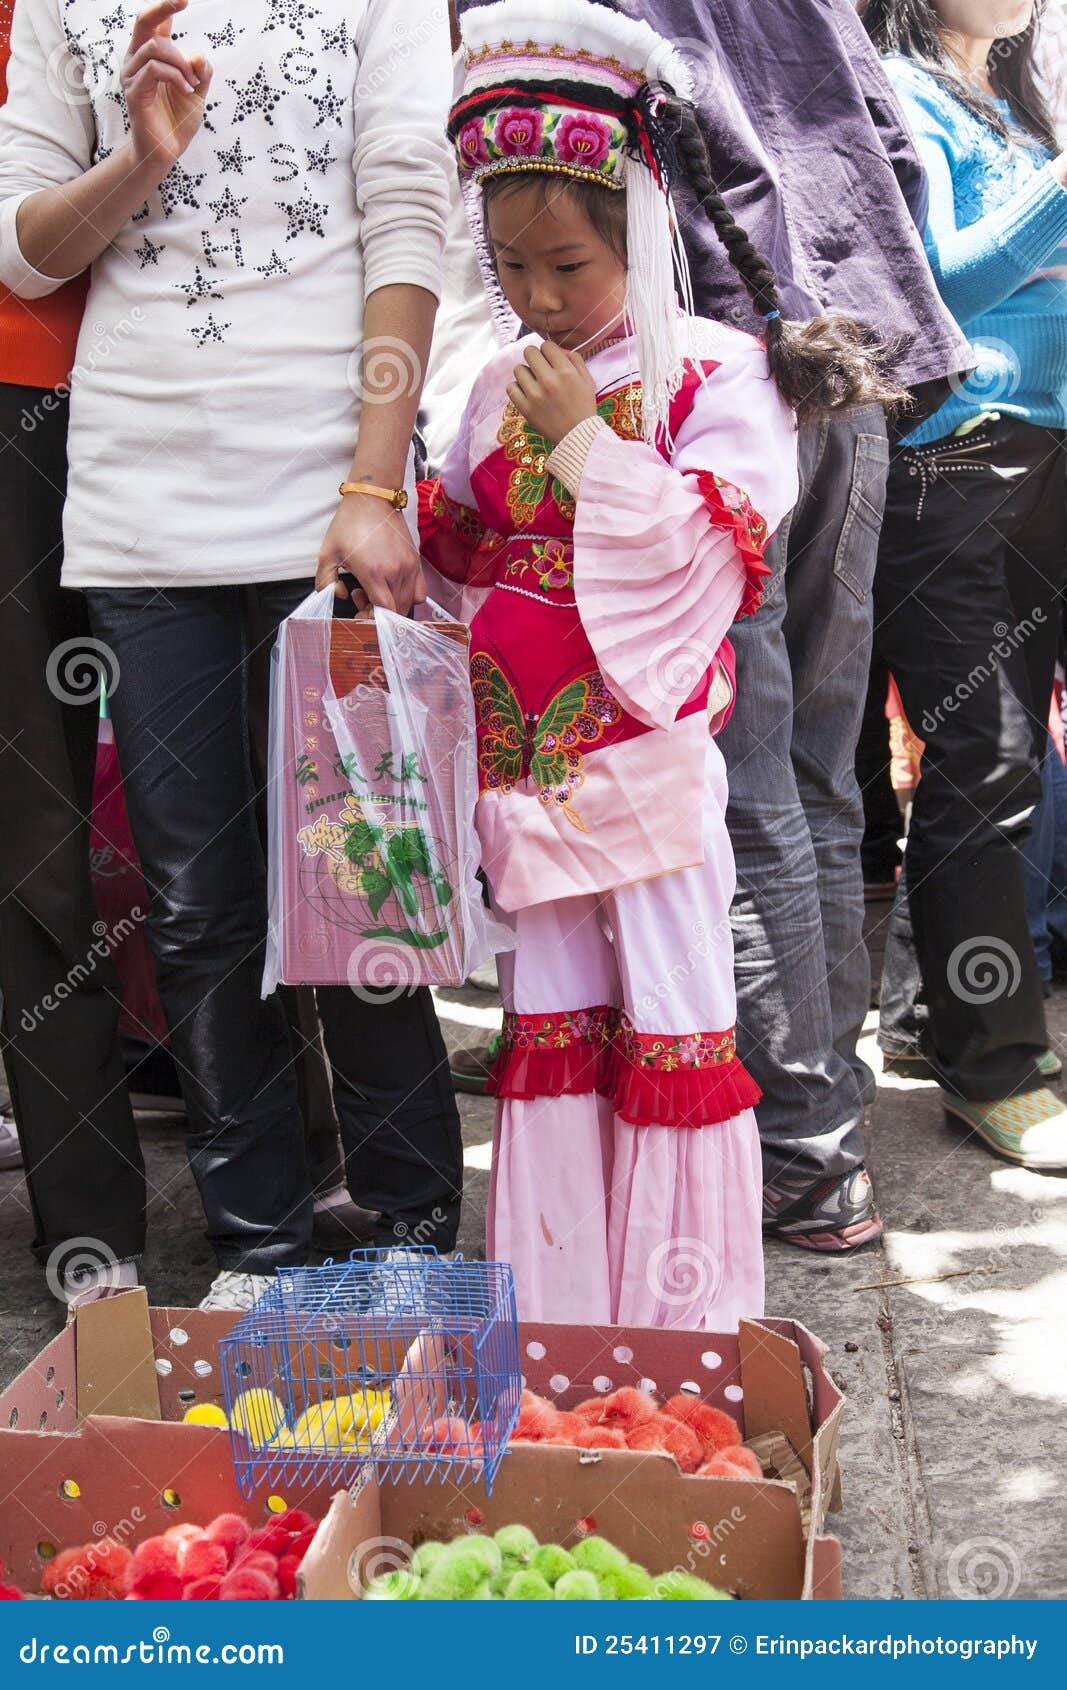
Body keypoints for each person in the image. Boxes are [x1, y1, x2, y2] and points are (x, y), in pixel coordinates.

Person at [418, 0, 900, 1327]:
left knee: (671, 1034)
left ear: (636, 220)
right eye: (509, 268)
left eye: (565, 264)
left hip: (641, 789)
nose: (537, 299)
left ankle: (673, 1325)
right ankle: (563, 1317)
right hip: (533, 789)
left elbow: (699, 576)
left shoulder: (721, 381)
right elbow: (460, 554)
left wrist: (580, 448)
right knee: (552, 1034)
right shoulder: (491, 385)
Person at [0, 0, 463, 1308]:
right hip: (140, 501)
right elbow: (26, 248)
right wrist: (140, 159)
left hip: (327, 487)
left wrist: (373, 483)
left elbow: (410, 211)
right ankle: (257, 1237)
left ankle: (405, 1223)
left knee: (360, 874)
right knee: (199, 906)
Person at [530, 0, 970, 1253]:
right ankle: (825, 1120)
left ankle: (805, 1149)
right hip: (844, 359)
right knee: (814, 779)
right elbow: (892, 156)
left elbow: (538, 183)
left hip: (718, 370)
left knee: (748, 786)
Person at [863, 0, 1067, 1170]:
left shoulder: (1007, 98)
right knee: (981, 755)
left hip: (1039, 452)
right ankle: (989, 1066)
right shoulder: (899, 91)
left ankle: (948, 1024)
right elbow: (935, 282)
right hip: (952, 453)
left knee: (1009, 756)